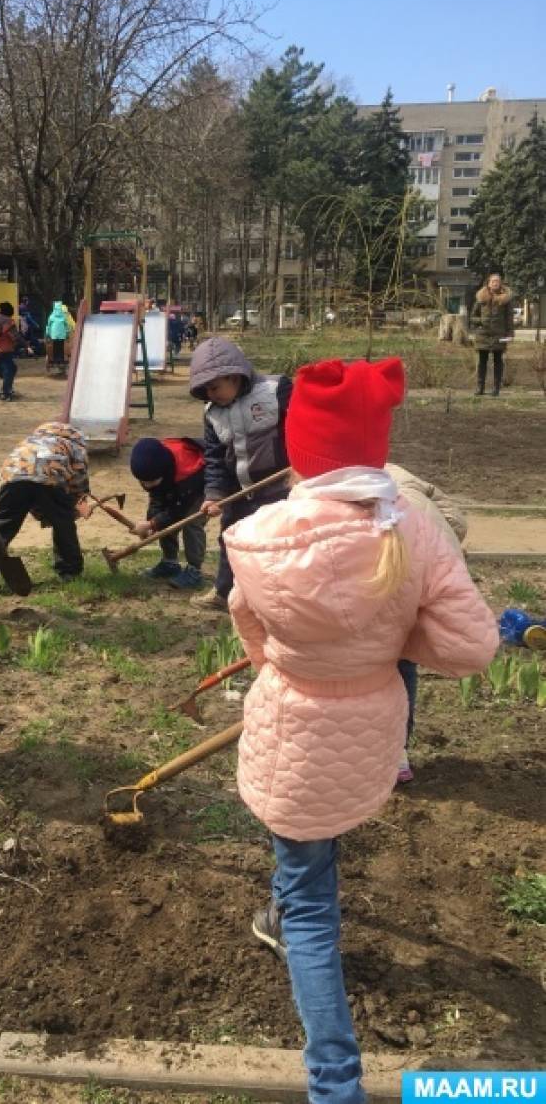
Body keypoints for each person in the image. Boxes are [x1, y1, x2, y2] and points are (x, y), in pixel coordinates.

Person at [224, 358, 498, 1104]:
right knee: (314, 856)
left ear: (298, 448)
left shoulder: (254, 535)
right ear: (377, 445)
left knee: (314, 902)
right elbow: (471, 647)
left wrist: (285, 661)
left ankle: (335, 1084)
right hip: (371, 726)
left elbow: (247, 626)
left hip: (289, 725)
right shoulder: (412, 528)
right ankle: (282, 905)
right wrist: (395, 642)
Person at [187, 337, 291, 611]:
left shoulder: (276, 390)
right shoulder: (212, 414)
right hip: (238, 491)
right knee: (231, 539)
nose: (211, 394)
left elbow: (303, 430)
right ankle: (224, 592)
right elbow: (214, 459)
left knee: (277, 543)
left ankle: (278, 598)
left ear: (234, 375)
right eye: (206, 390)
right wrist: (214, 495)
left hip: (280, 488)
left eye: (215, 387)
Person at [386, 463, 469, 783]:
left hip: (395, 579)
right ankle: (399, 754)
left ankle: (385, 757)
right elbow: (456, 519)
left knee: (374, 667)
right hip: (438, 576)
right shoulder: (399, 472)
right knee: (404, 662)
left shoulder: (343, 488)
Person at [0, 421, 91, 590]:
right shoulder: (74, 446)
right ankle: (70, 571)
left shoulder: (27, 443)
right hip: (50, 477)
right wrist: (76, 503)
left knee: (4, 522)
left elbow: (9, 470)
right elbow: (79, 478)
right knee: (63, 524)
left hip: (12, 478)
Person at [129, 436, 206, 590]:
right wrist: (152, 524)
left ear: (164, 471)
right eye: (143, 482)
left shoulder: (188, 472)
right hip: (177, 484)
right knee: (161, 519)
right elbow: (157, 497)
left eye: (150, 482)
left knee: (192, 522)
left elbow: (178, 510)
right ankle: (170, 563)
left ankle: (194, 571)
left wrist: (153, 523)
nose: (146, 485)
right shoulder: (151, 466)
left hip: (202, 487)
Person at [470, 273, 514, 396]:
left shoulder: (506, 299)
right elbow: (473, 317)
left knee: (498, 361)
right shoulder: (480, 297)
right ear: (488, 283)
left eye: (498, 281)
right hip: (483, 335)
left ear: (501, 283)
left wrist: (510, 334)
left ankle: (496, 389)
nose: (495, 283)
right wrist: (480, 321)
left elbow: (509, 318)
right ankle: (480, 388)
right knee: (482, 362)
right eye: (493, 281)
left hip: (499, 335)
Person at [0, 301, 21, 400]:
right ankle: (6, 392)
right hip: (6, 349)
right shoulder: (8, 322)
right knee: (9, 369)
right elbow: (16, 336)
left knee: (10, 368)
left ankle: (6, 389)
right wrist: (26, 346)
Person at [45, 301, 71, 374]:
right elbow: (67, 326)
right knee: (61, 348)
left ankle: (55, 359)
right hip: (62, 335)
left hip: (53, 335)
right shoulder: (63, 316)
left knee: (55, 348)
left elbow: (48, 326)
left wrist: (47, 334)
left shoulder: (51, 316)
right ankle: (61, 360)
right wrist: (67, 333)